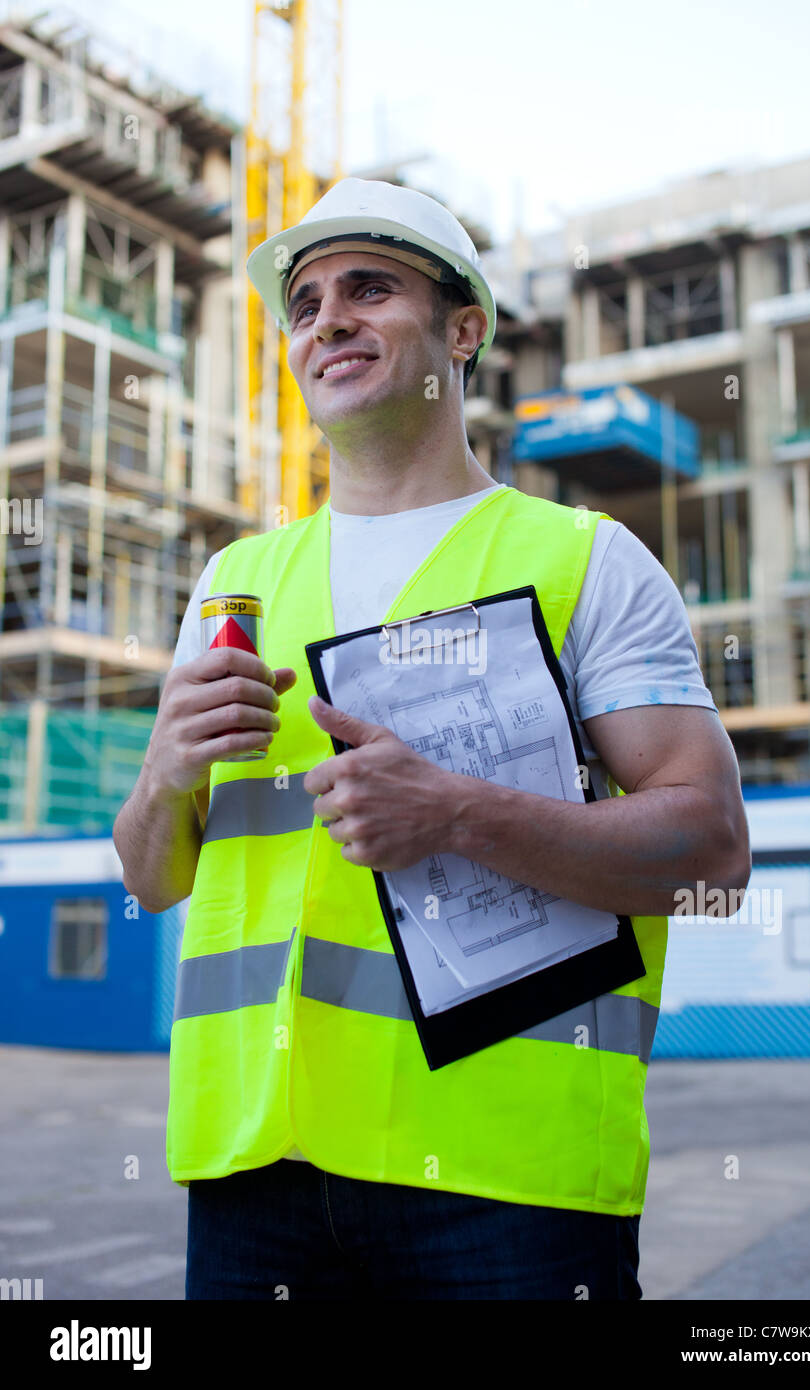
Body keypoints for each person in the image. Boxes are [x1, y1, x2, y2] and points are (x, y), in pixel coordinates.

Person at [112, 178, 751, 1302]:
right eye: (304, 303)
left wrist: (455, 811)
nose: (327, 320)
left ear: (462, 332)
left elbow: (710, 854)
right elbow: (153, 877)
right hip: (258, 1166)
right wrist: (164, 773)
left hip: (505, 1180)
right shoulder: (235, 585)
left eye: (370, 287)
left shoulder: (582, 562)